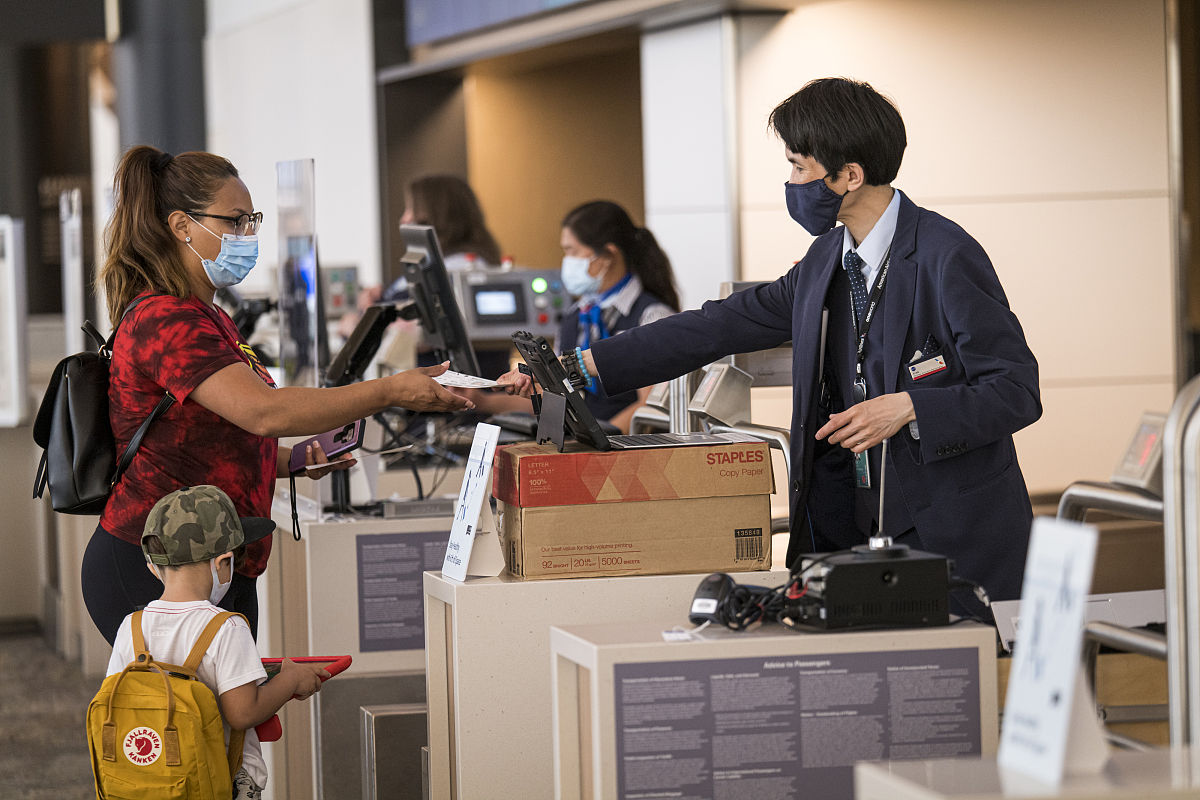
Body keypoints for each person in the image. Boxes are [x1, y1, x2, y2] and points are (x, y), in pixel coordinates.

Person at [523, 79, 1042, 611]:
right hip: (855, 527)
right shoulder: (826, 260)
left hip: (953, 533)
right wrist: (576, 366)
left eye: (799, 168)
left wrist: (909, 407)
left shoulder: (945, 255)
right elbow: (720, 325)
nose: (791, 183)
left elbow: (1015, 389)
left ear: (849, 176)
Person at [83, 145, 473, 645]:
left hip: (211, 555)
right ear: (182, 226)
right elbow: (263, 413)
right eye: (235, 221)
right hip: (160, 562)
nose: (248, 234)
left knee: (227, 698)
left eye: (252, 220)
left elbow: (210, 436)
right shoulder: (166, 318)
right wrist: (390, 390)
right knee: (187, 700)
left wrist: (292, 460)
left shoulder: (209, 315)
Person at [106, 484, 328, 800]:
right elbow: (243, 712)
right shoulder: (227, 627)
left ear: (153, 568)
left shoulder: (131, 627)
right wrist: (291, 679)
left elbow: (115, 697)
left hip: (150, 780)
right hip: (220, 780)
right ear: (223, 563)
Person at [556, 200, 680, 432]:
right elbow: (558, 393)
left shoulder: (652, 316)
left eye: (572, 251)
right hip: (587, 443)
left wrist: (598, 439)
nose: (567, 261)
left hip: (629, 446)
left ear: (607, 255)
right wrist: (488, 401)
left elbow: (653, 405)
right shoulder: (575, 316)